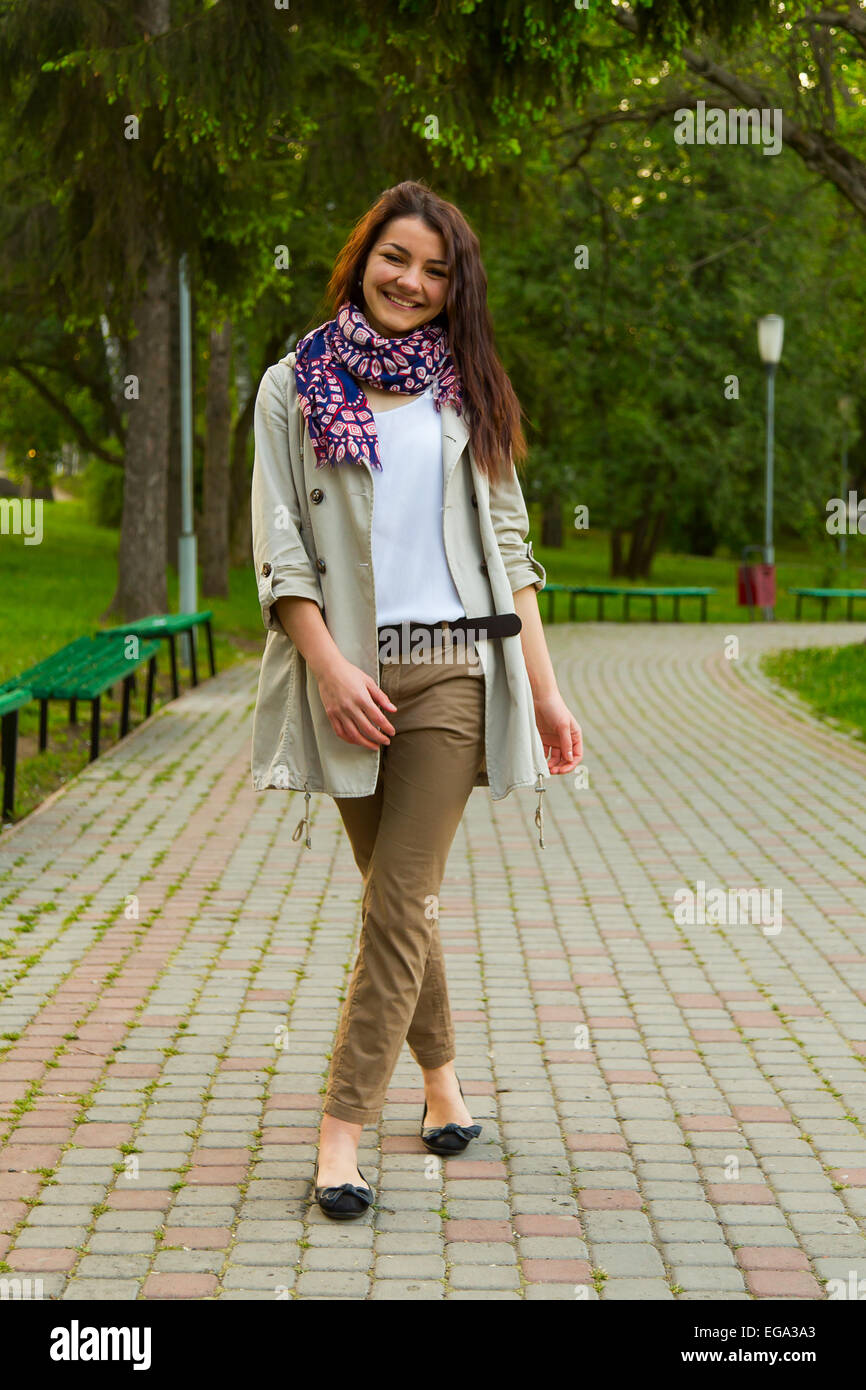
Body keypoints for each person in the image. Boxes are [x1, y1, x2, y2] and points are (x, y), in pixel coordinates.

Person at [250, 179, 582, 1219]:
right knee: (405, 902)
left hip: (451, 672)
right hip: (343, 678)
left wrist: (546, 687)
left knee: (398, 899)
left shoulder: (463, 388)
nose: (414, 282)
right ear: (363, 258)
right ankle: (440, 1081)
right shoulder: (291, 386)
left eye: (437, 271)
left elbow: (512, 547)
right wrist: (329, 668)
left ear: (454, 288)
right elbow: (280, 551)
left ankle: (339, 1130)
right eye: (398, 259)